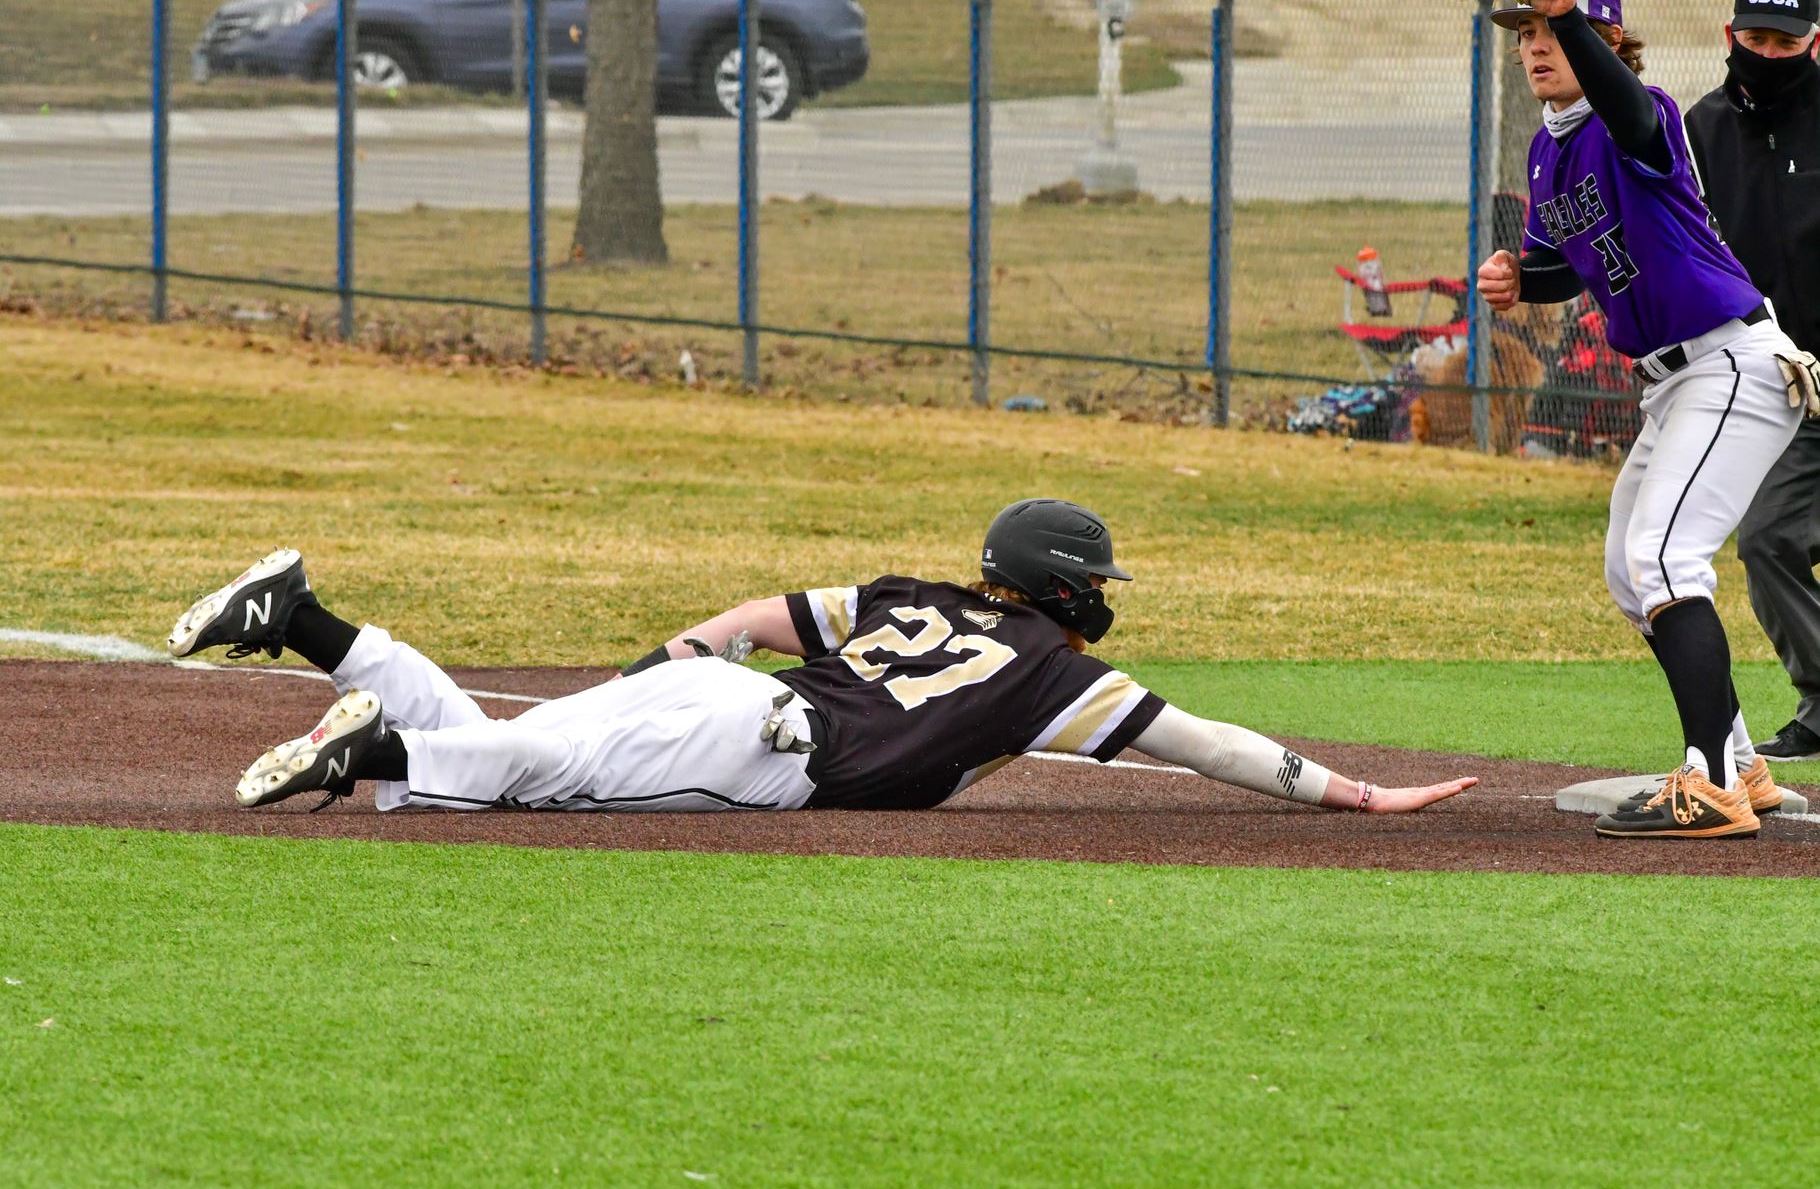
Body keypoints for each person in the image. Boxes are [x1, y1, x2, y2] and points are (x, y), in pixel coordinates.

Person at [165, 500, 1475, 816]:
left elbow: (748, 618)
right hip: (773, 751)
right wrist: (1355, 792)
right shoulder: (1054, 671)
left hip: (722, 688)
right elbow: (1213, 747)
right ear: (1066, 590)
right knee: (510, 780)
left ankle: (308, 621)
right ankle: (372, 744)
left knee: (510, 750)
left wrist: (656, 661)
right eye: (1096, 582)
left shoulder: (909, 592)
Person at [1478, 0, 1818, 837]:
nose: (1536, 44)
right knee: (1632, 573)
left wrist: (1569, 14)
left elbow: (1626, 114)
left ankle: (1709, 784)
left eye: (1555, 28)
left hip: (1731, 359)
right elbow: (1567, 265)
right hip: (1672, 381)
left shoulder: (1645, 115)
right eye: (1525, 31)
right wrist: (1519, 279)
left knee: (1666, 558)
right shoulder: (1548, 150)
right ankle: (1740, 764)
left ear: (1606, 40)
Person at [1684, 0, 1820, 761]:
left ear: (1815, 43)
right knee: (1768, 540)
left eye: (1786, 42)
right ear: (1729, 34)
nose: (1769, 55)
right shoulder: (1700, 130)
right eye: (1756, 39)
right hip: (1782, 385)